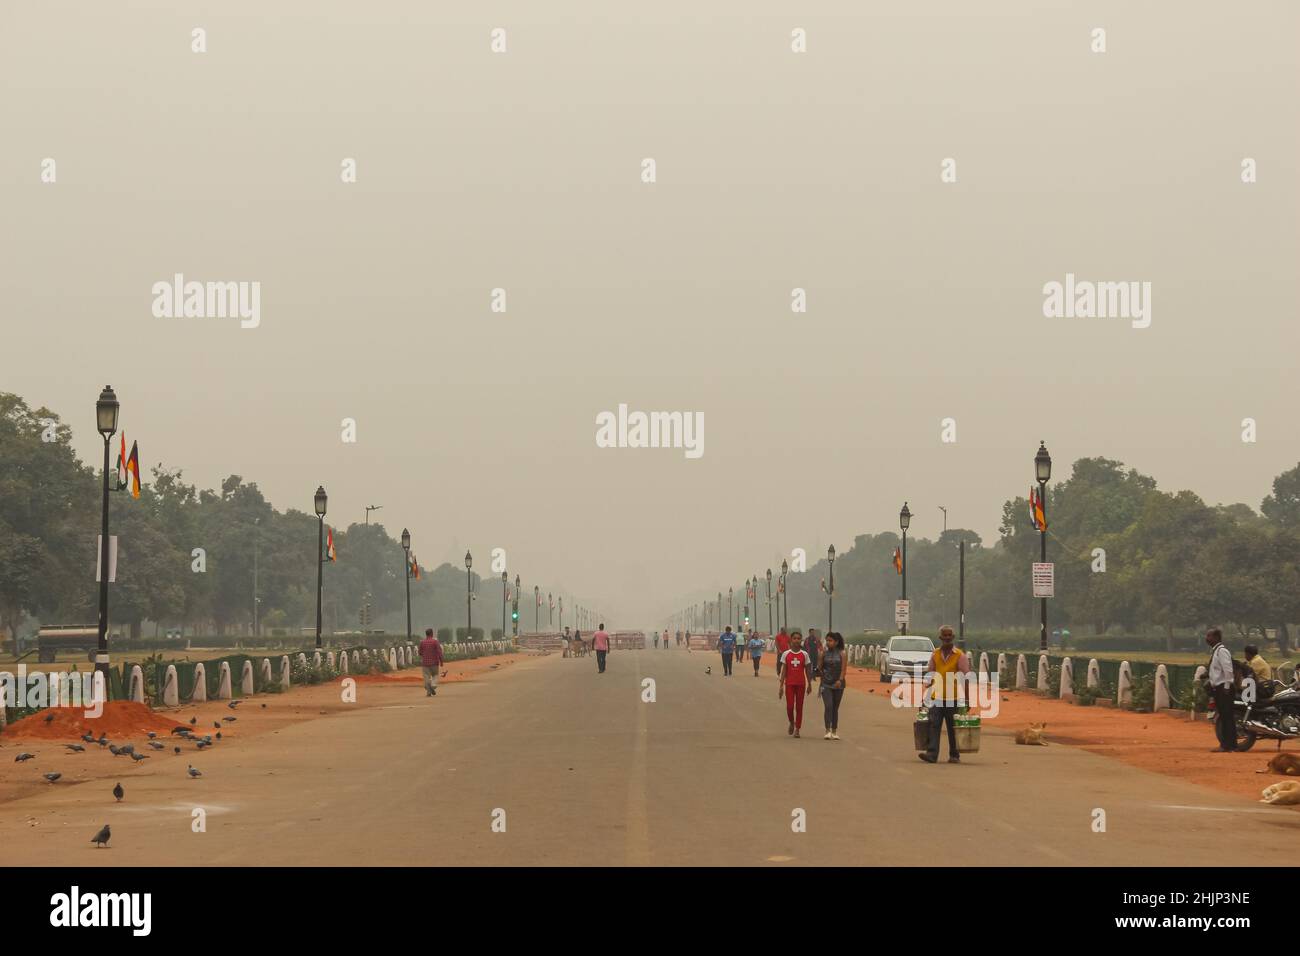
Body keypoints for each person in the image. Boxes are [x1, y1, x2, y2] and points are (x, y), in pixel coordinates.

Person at [918, 625, 970, 764]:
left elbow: (966, 679)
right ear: (940, 638)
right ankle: (932, 754)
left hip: (953, 698)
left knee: (953, 728)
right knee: (933, 726)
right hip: (937, 698)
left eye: (949, 636)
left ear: (952, 637)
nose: (947, 638)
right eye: (944, 636)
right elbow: (930, 677)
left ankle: (954, 755)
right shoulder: (935, 654)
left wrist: (967, 699)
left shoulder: (960, 655)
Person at [777, 630, 813, 737]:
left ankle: (797, 728)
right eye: (794, 638)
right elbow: (784, 671)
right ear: (791, 640)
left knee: (799, 707)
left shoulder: (804, 654)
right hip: (789, 684)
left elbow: (807, 670)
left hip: (801, 684)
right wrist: (781, 686)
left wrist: (810, 684)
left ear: (801, 640)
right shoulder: (786, 654)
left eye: (798, 638)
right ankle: (791, 722)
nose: (796, 640)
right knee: (789, 706)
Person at [1207, 627, 1237, 753]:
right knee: (1224, 717)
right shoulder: (1216, 651)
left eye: (1210, 636)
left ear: (1217, 638)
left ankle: (1228, 745)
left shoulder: (1222, 651)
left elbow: (1228, 670)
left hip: (1224, 688)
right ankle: (1228, 744)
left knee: (1226, 717)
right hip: (1219, 688)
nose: (1207, 638)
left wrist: (1226, 687)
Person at [818, 632, 847, 739]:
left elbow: (844, 669)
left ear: (836, 642)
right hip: (826, 683)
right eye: (827, 641)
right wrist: (817, 671)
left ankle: (834, 731)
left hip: (839, 684)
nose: (828, 643)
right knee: (828, 706)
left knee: (835, 708)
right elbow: (819, 668)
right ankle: (827, 730)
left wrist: (840, 679)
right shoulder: (823, 653)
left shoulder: (842, 653)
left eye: (830, 641)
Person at [419, 627, 444, 697]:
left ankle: (428, 689)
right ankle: (432, 686)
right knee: (435, 675)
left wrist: (424, 654)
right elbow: (439, 652)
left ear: (426, 634)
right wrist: (441, 661)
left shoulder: (422, 642)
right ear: (432, 634)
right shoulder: (435, 642)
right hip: (434, 663)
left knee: (426, 677)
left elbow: (420, 652)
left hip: (425, 663)